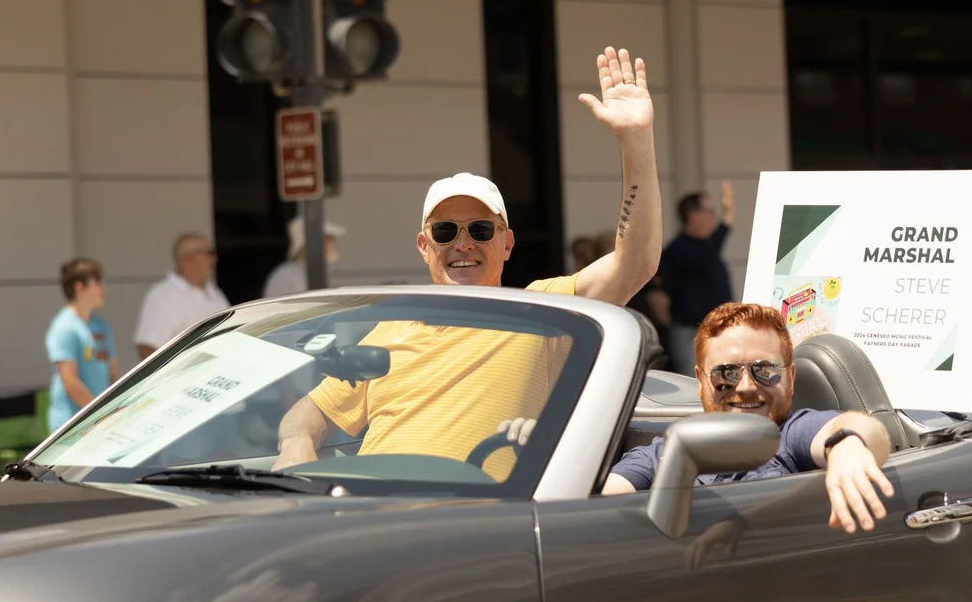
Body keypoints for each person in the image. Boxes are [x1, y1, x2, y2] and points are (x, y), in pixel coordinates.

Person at [272, 45, 662, 473]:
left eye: (480, 230)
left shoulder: (540, 314)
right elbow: (309, 412)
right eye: (445, 231)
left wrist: (636, 141)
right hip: (367, 506)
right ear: (424, 246)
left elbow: (634, 264)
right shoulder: (390, 332)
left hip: (471, 513)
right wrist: (296, 445)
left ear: (507, 244)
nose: (463, 244)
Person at [599, 302, 893, 534]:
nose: (746, 387)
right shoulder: (663, 454)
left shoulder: (791, 435)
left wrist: (846, 448)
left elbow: (863, 429)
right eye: (726, 373)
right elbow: (595, 506)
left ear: (790, 377)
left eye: (765, 371)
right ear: (701, 380)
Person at [662, 180, 736, 373]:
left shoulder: (708, 251)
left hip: (720, 332)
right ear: (692, 215)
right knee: (693, 386)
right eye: (709, 211)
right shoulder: (679, 248)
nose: (713, 217)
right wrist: (726, 220)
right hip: (691, 335)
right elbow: (705, 255)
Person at [46, 258, 120, 431]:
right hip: (71, 425)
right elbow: (69, 380)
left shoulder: (101, 326)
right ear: (80, 288)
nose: (104, 289)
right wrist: (101, 414)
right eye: (98, 283)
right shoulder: (65, 327)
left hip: (99, 422)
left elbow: (114, 374)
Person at [134, 233, 230, 361]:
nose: (214, 259)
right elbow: (147, 347)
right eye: (209, 253)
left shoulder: (214, 291)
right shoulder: (164, 295)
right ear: (188, 259)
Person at [264, 217, 345, 298]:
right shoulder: (285, 275)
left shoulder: (322, 271)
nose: (331, 244)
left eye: (331, 239)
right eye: (326, 239)